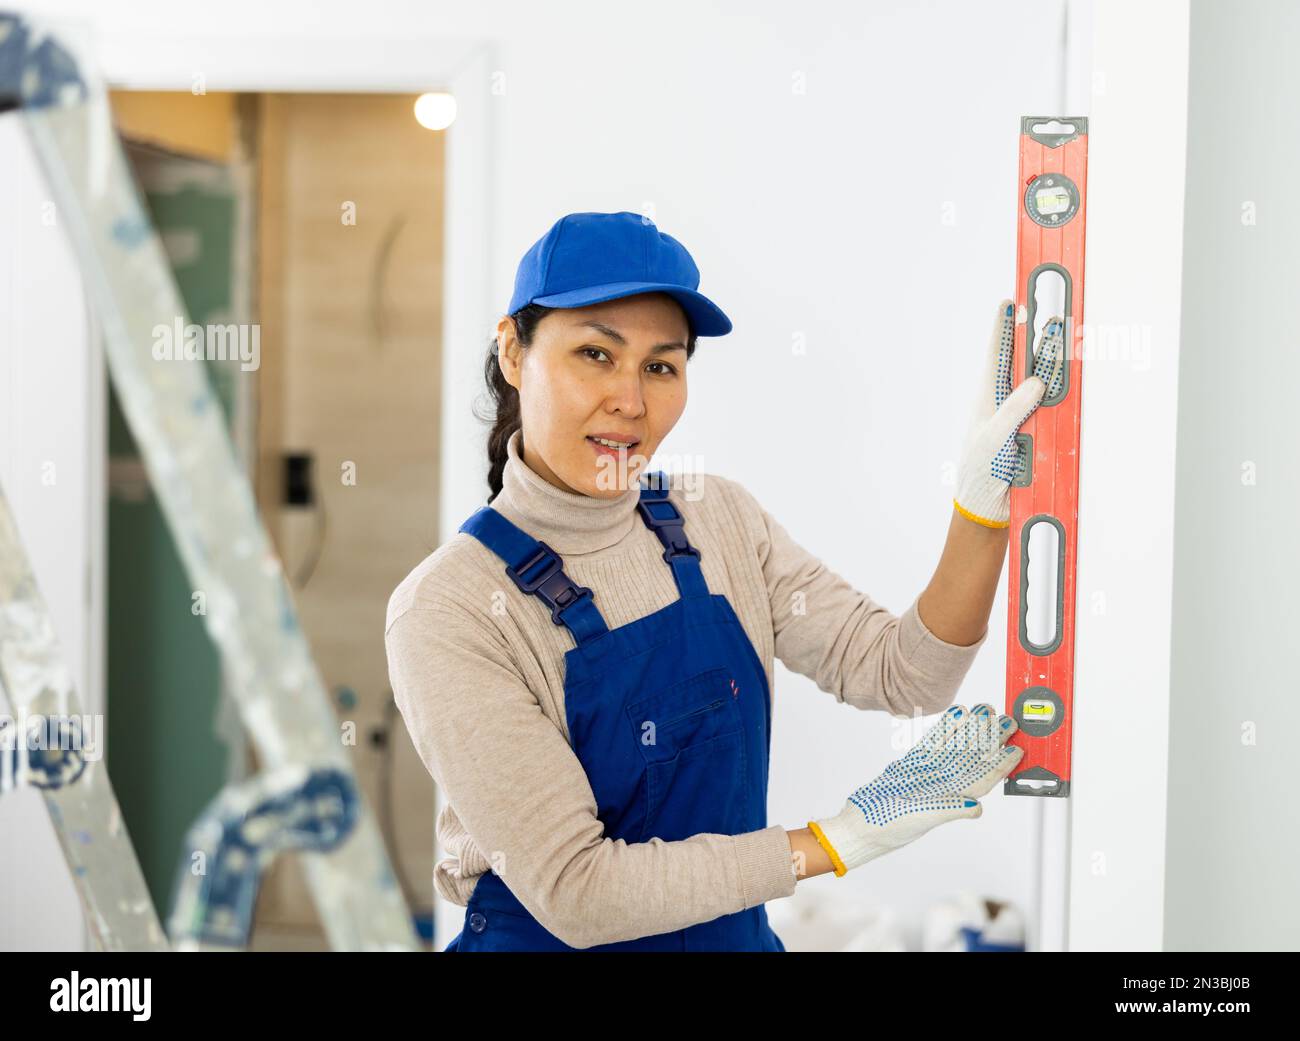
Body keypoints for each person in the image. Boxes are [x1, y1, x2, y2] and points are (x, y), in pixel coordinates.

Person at [384, 210, 1064, 951]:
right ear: (513, 350)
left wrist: (980, 508)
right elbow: (578, 892)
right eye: (594, 354)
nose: (631, 401)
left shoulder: (717, 521)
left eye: (661, 365)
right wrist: (836, 840)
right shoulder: (449, 608)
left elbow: (904, 674)